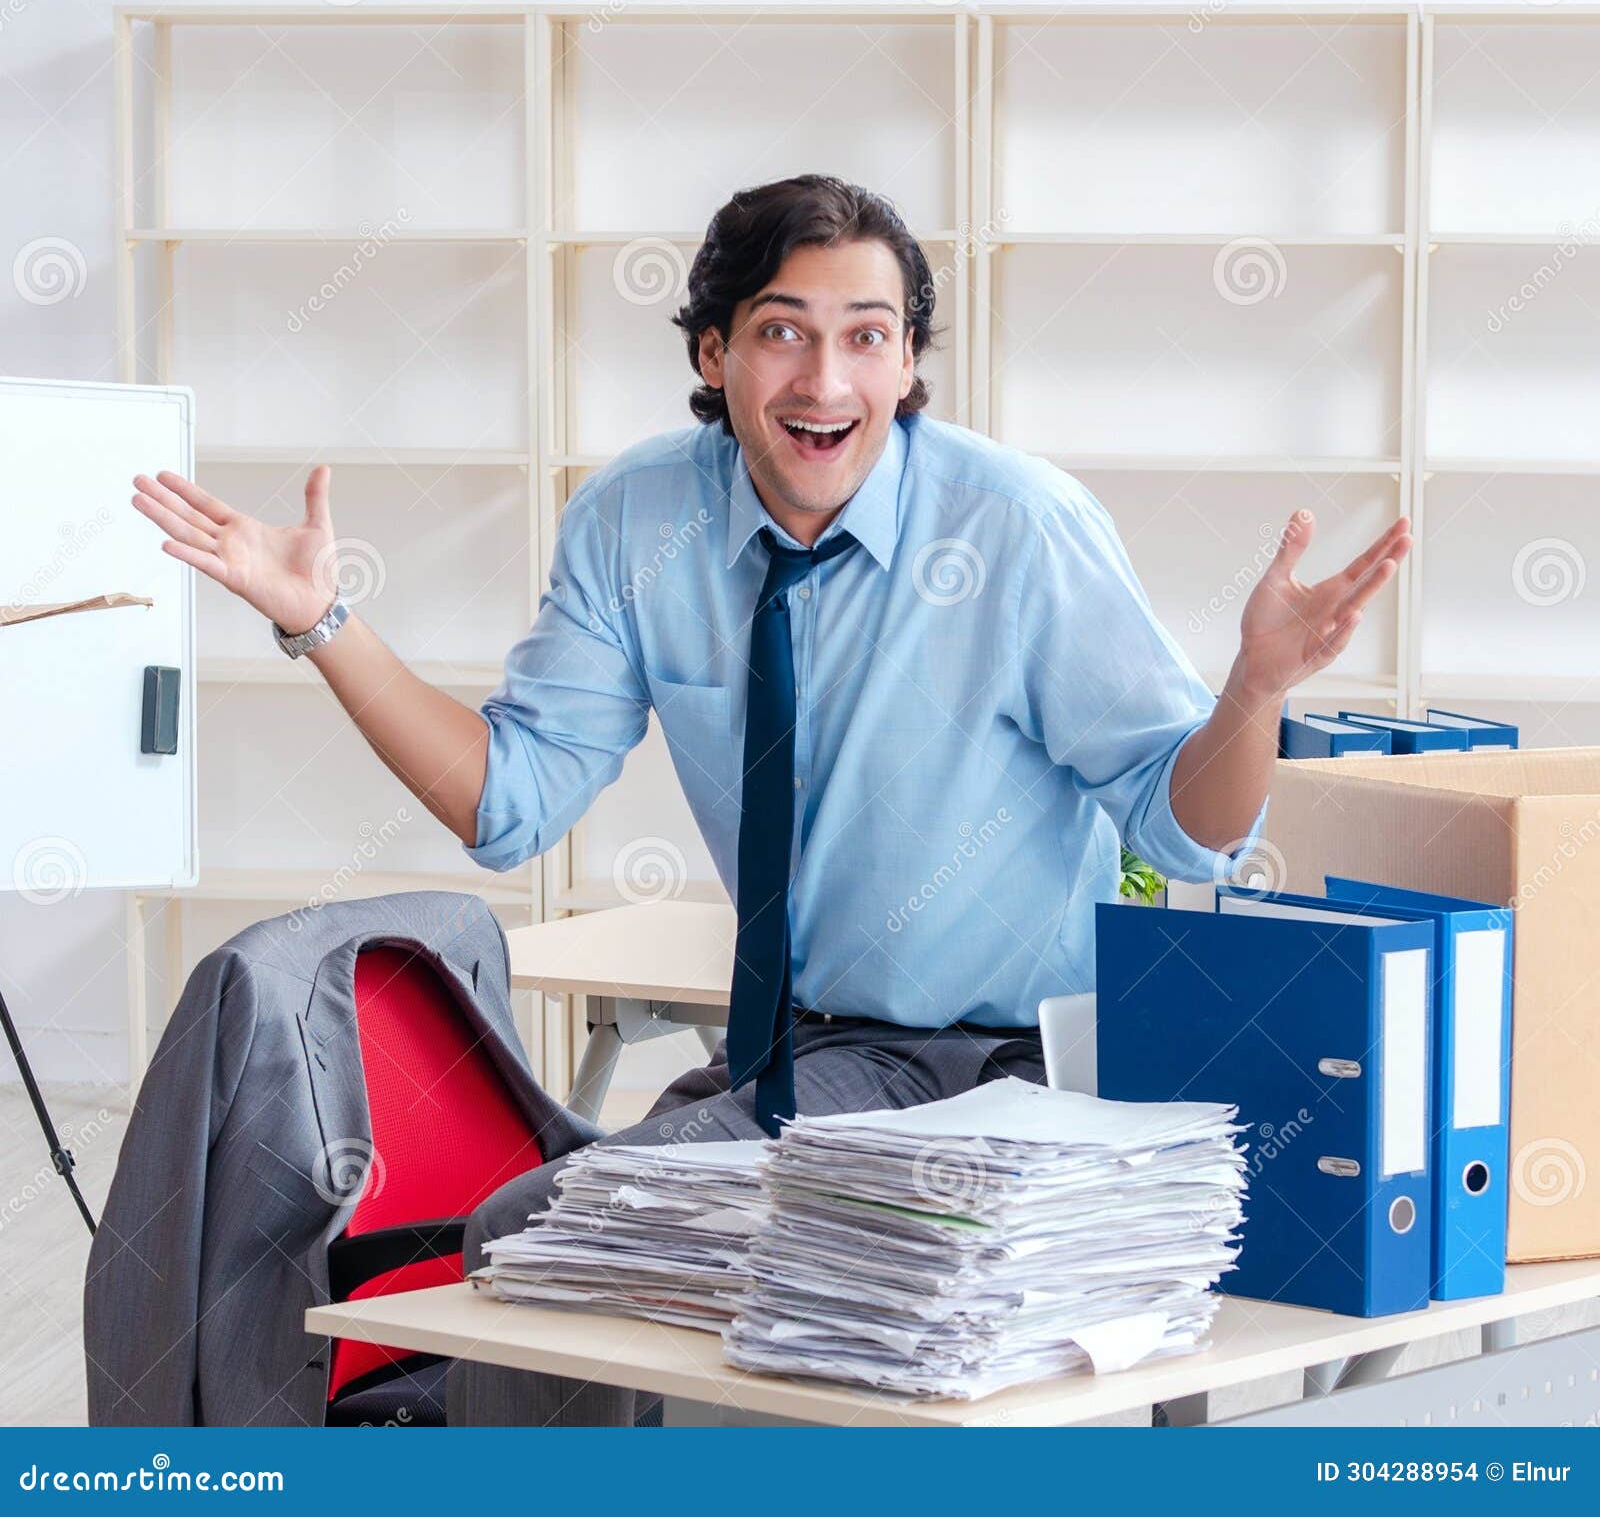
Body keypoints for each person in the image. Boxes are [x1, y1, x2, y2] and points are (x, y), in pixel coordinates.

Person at [131, 174, 1410, 1425]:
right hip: (804, 1054)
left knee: (542, 1235)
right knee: (558, 1239)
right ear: (715, 353)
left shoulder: (1017, 529)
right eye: (782, 334)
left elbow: (1177, 824)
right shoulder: (640, 523)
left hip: (1004, 1068)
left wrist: (1249, 691)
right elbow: (505, 803)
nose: (825, 380)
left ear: (909, 367)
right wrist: (325, 623)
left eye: (868, 338)